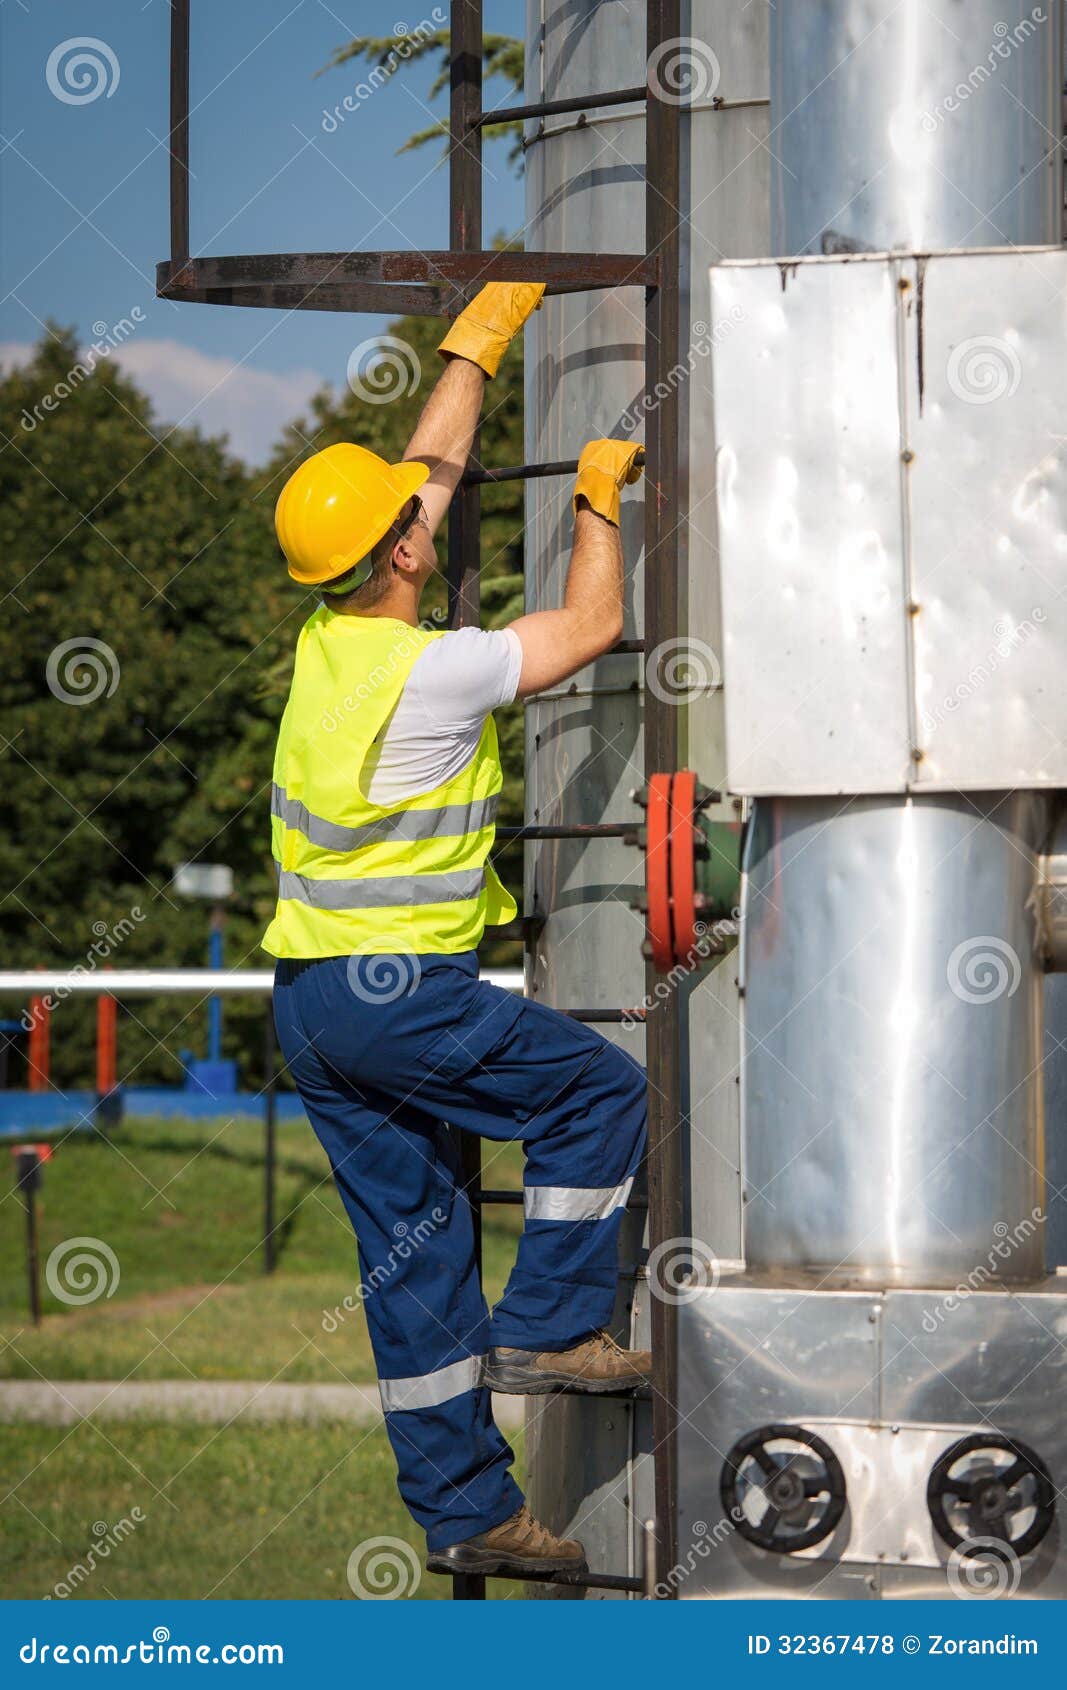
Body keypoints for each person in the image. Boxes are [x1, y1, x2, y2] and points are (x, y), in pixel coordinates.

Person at [264, 281, 648, 1580]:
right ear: (408, 558)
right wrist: (596, 498)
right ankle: (553, 1323)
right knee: (600, 1093)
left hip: (312, 1008)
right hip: (402, 997)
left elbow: (427, 468)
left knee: (415, 1252)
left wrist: (475, 344)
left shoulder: (330, 641)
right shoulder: (435, 672)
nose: (423, 514)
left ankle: (469, 1507)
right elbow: (592, 626)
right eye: (412, 521)